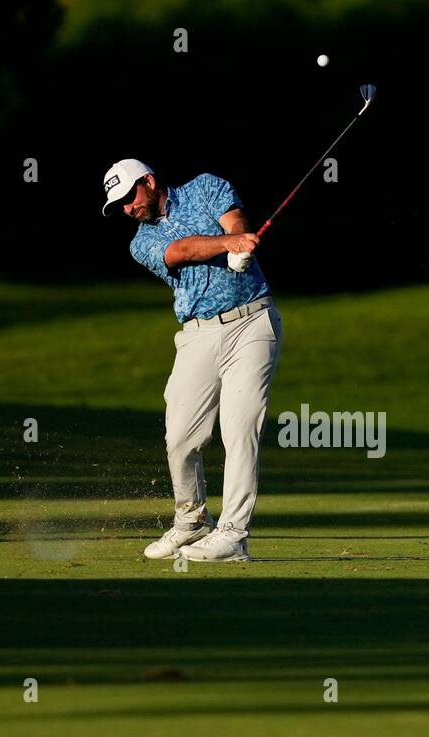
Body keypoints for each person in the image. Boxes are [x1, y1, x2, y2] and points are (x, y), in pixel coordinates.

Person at [102, 159, 282, 562]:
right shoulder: (139, 243)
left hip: (251, 322)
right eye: (120, 206)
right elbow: (179, 252)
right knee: (180, 437)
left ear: (149, 182)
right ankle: (192, 521)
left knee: (239, 429)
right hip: (197, 334)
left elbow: (235, 220)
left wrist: (240, 241)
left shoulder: (206, 186)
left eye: (129, 197)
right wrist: (227, 245)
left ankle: (234, 534)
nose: (128, 209)